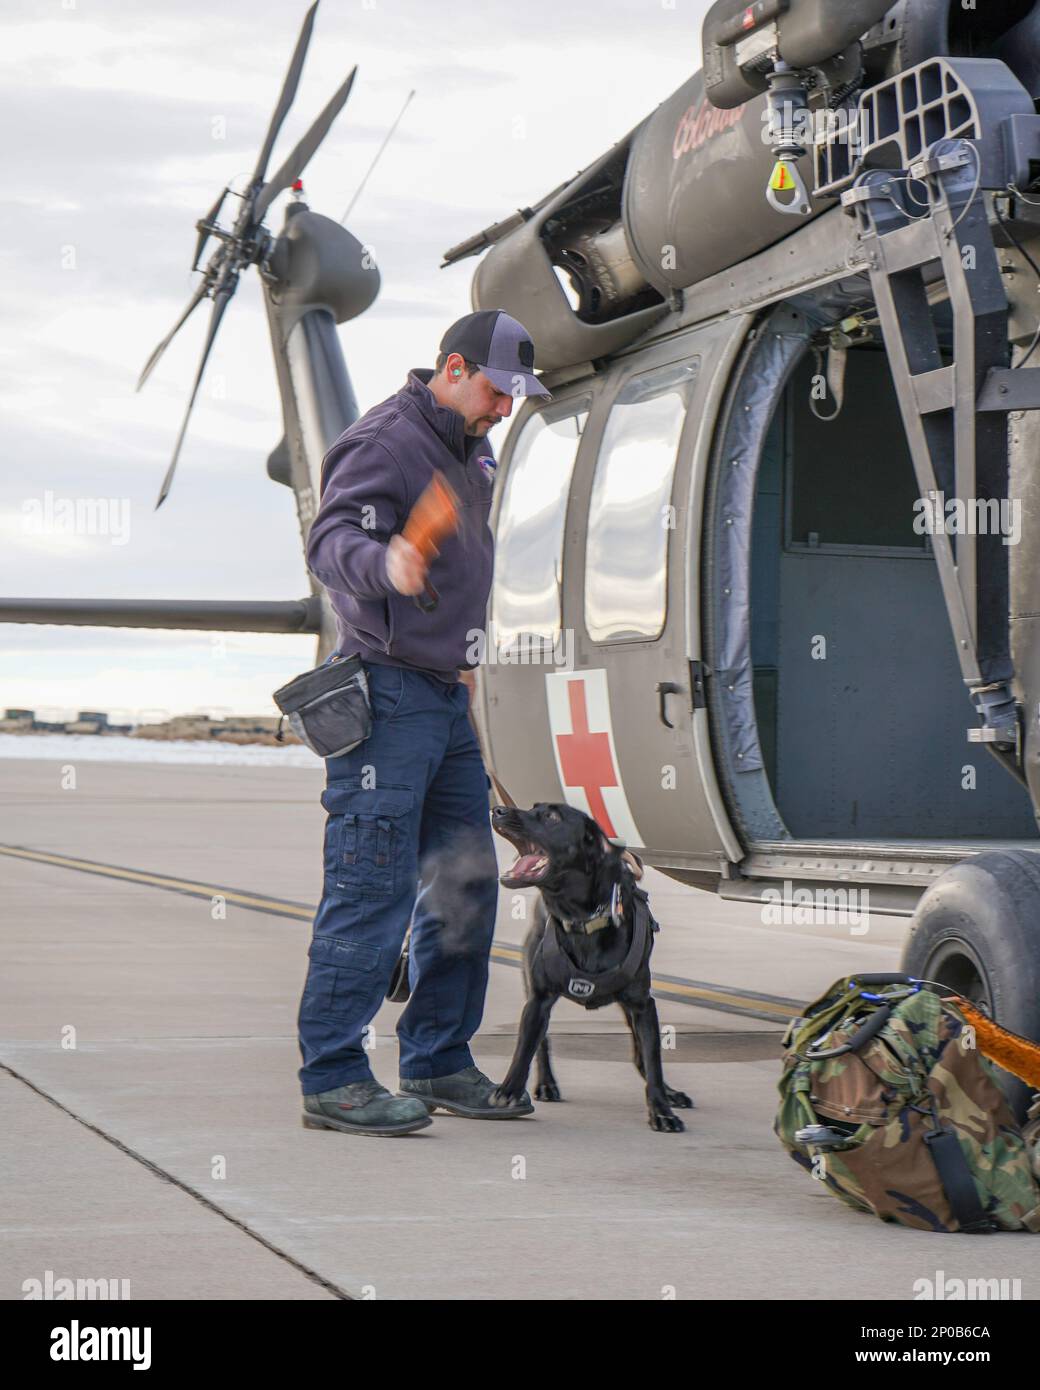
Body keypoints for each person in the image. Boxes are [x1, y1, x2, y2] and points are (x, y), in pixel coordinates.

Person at [297, 309, 552, 1136]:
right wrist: (385, 561)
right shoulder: (385, 443)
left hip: (445, 697)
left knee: (467, 880)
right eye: (496, 391)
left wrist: (466, 665)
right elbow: (329, 541)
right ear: (452, 369)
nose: (504, 409)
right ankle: (334, 1077)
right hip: (388, 695)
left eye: (514, 398)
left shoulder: (467, 449)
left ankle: (438, 1058)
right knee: (371, 884)